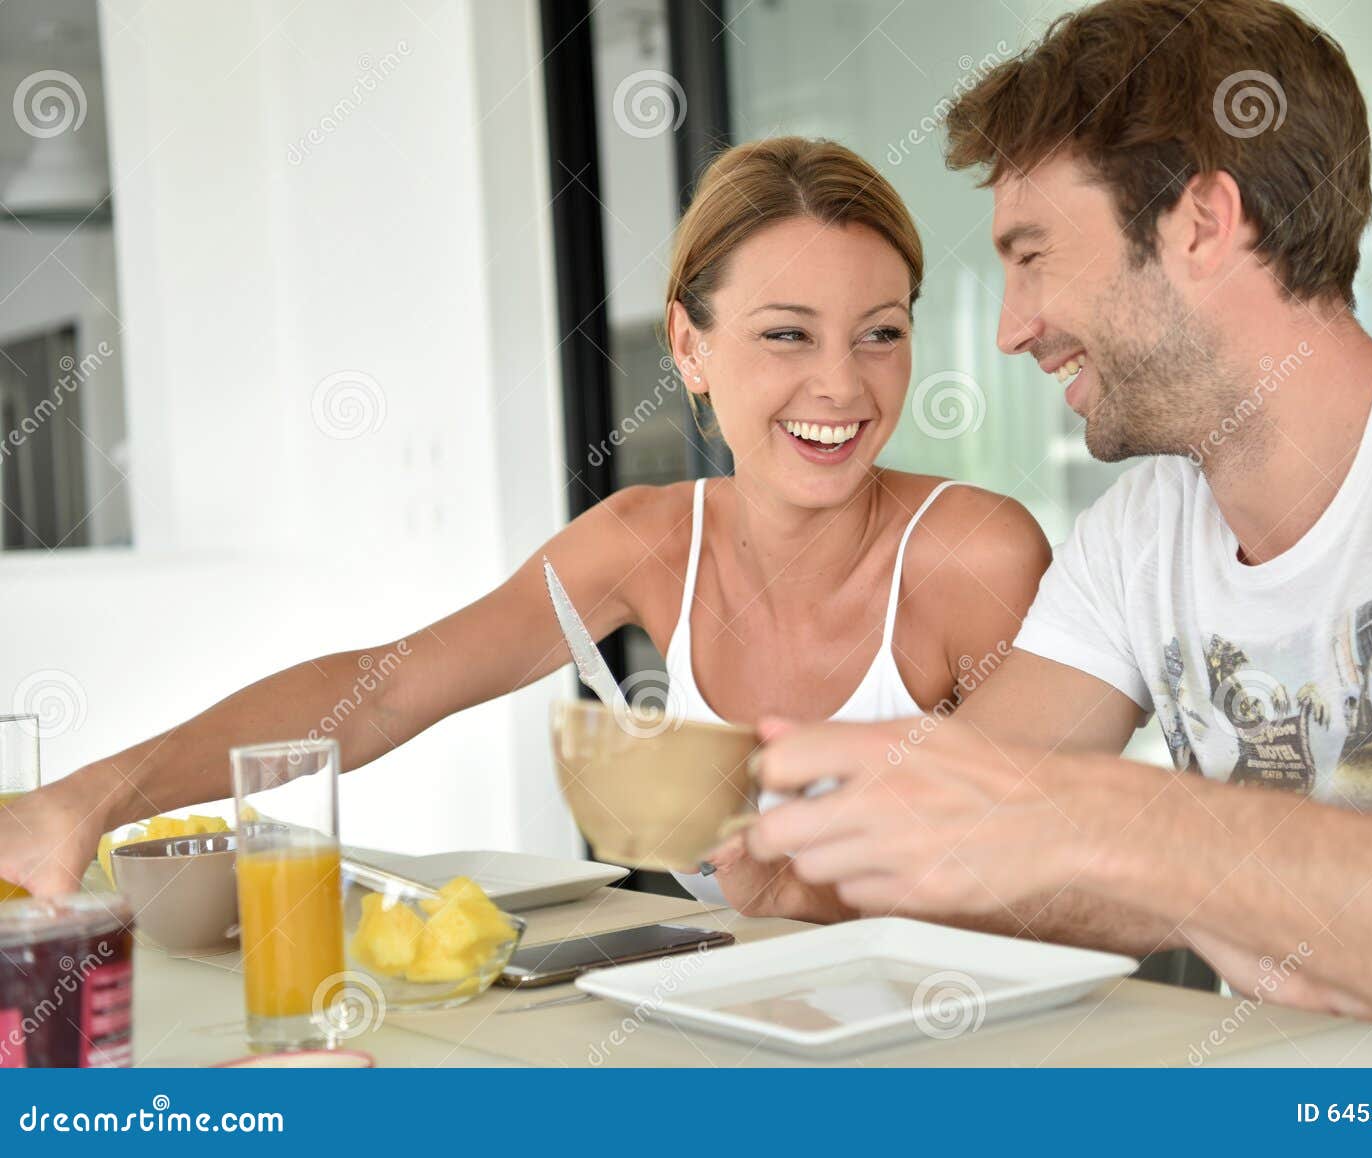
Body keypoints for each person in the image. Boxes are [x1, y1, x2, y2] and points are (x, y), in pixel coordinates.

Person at [740, 0, 1372, 1052]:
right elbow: (971, 845)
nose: (1012, 327)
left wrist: (1142, 831)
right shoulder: (1138, 535)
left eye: (1033, 254)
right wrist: (816, 860)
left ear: (1199, 223)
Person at [0, 138, 1049, 919]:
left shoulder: (974, 558)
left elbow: (1042, 873)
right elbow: (383, 690)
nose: (841, 385)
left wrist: (809, 896)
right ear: (689, 346)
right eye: (785, 335)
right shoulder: (644, 540)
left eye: (881, 334)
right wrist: (86, 802)